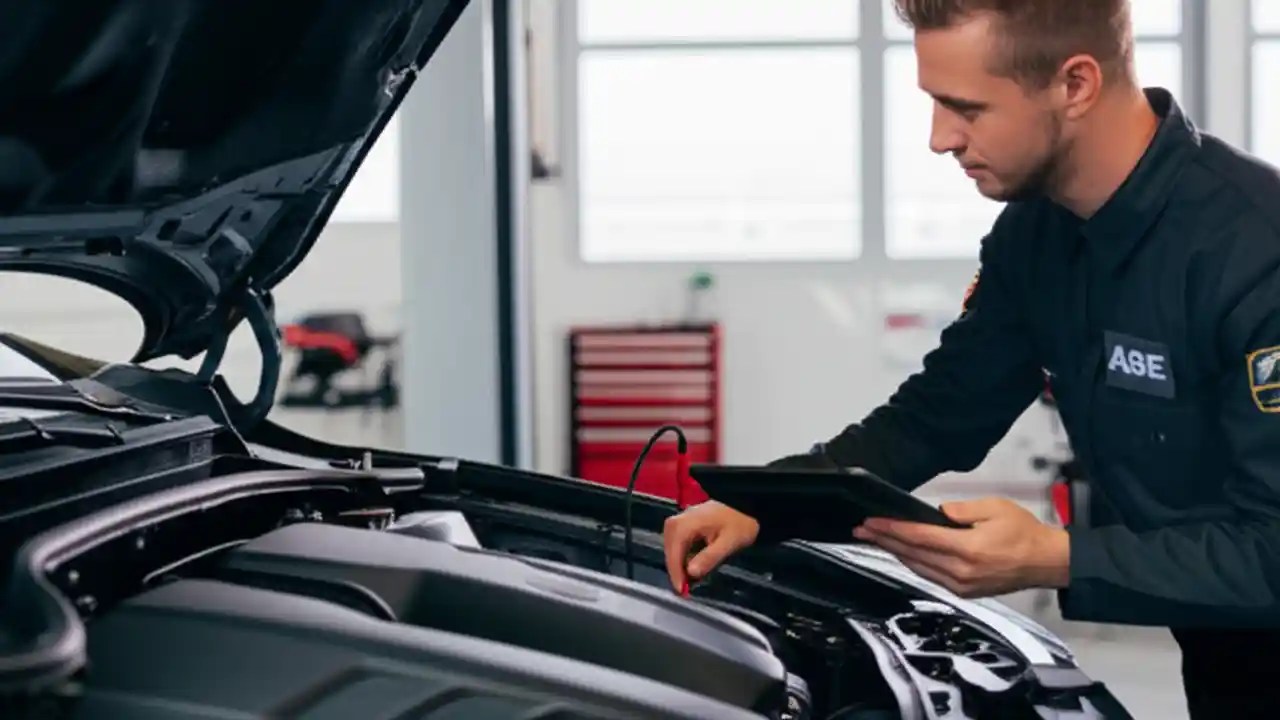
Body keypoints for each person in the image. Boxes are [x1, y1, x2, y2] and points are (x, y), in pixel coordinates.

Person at [660, 1, 1280, 716]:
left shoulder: (1252, 251)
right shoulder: (1036, 237)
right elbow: (940, 413)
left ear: (1074, 85)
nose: (938, 138)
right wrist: (764, 504)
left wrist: (1057, 556)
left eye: (966, 108)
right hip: (1227, 653)